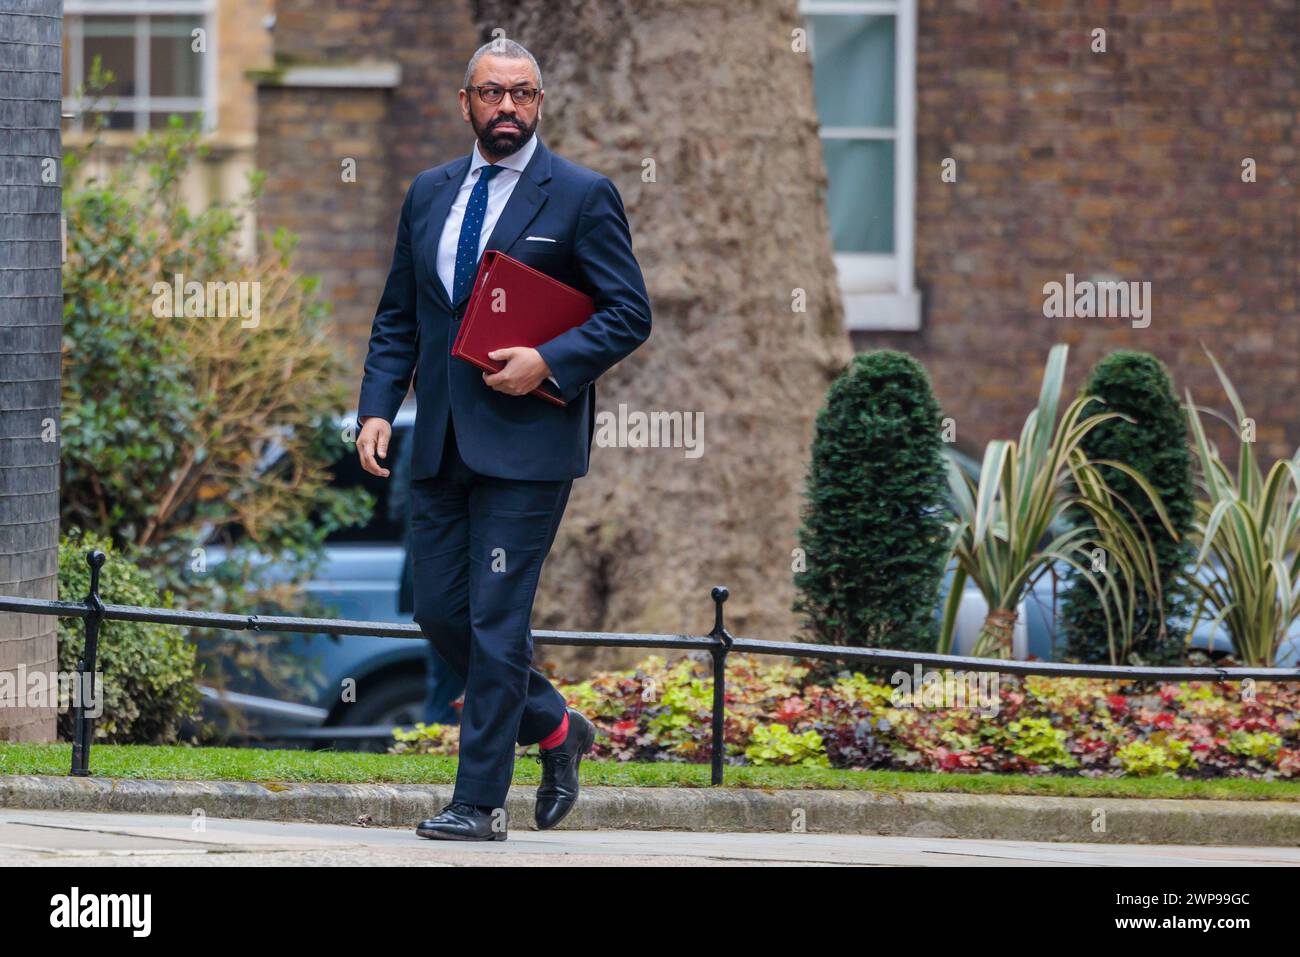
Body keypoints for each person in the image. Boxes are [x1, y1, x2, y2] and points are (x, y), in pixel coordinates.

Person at [355, 38, 651, 841]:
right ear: (466, 103)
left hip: (529, 446)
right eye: (492, 94)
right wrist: (378, 406)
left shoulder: (583, 196)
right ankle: (558, 727)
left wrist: (549, 361)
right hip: (440, 443)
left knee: (494, 621)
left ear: (541, 103)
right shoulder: (429, 193)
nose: (507, 108)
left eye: (522, 94)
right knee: (438, 611)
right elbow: (399, 316)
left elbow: (630, 313)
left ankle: (478, 803)